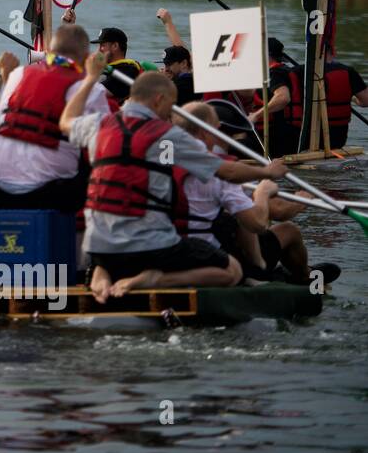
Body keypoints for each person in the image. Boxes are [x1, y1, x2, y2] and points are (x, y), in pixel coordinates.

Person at [59, 54, 287, 302]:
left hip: (99, 243)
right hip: (149, 245)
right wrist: (267, 172)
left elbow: (66, 121)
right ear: (159, 100)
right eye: (171, 104)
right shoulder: (166, 135)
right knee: (232, 270)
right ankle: (155, 279)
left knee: (110, 253)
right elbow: (228, 171)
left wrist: (91, 77)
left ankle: (101, 278)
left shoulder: (100, 124)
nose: (171, 112)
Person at [174, 102, 333, 284]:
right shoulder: (225, 170)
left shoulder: (161, 159)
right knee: (290, 231)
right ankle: (305, 280)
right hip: (212, 251)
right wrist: (293, 199)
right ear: (206, 132)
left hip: (168, 247)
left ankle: (268, 269)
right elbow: (269, 216)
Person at [0, 23, 110, 213]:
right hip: (46, 193)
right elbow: (105, 141)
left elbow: (3, 118)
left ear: (50, 50)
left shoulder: (18, 74)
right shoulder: (91, 88)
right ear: (86, 57)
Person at [249, 37, 304, 157]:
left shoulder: (274, 74)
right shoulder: (287, 70)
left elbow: (283, 98)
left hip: (277, 135)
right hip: (293, 133)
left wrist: (256, 115)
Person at [324, 58, 368, 150]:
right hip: (338, 134)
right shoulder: (348, 71)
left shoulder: (300, 72)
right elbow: (365, 101)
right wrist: (352, 98)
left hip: (303, 132)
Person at [94, 27, 142, 103]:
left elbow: (94, 93)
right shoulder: (106, 68)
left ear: (115, 46)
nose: (98, 50)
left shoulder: (128, 70)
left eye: (103, 45)